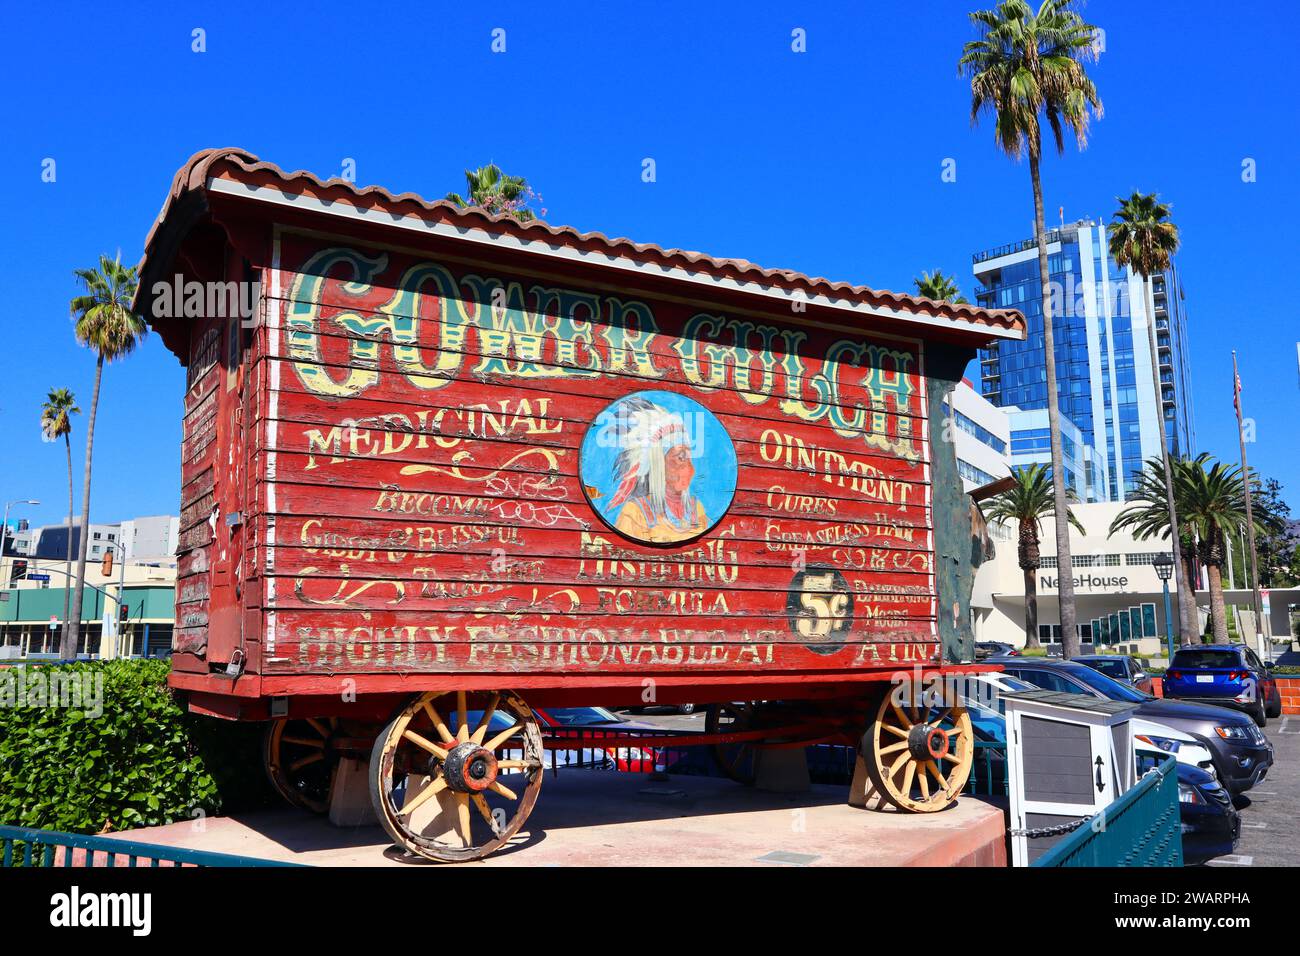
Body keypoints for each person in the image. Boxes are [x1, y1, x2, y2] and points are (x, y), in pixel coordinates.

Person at [603, 397, 709, 543]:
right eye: (680, 458)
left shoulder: (696, 509)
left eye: (689, 459)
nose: (691, 470)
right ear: (658, 463)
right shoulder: (634, 514)